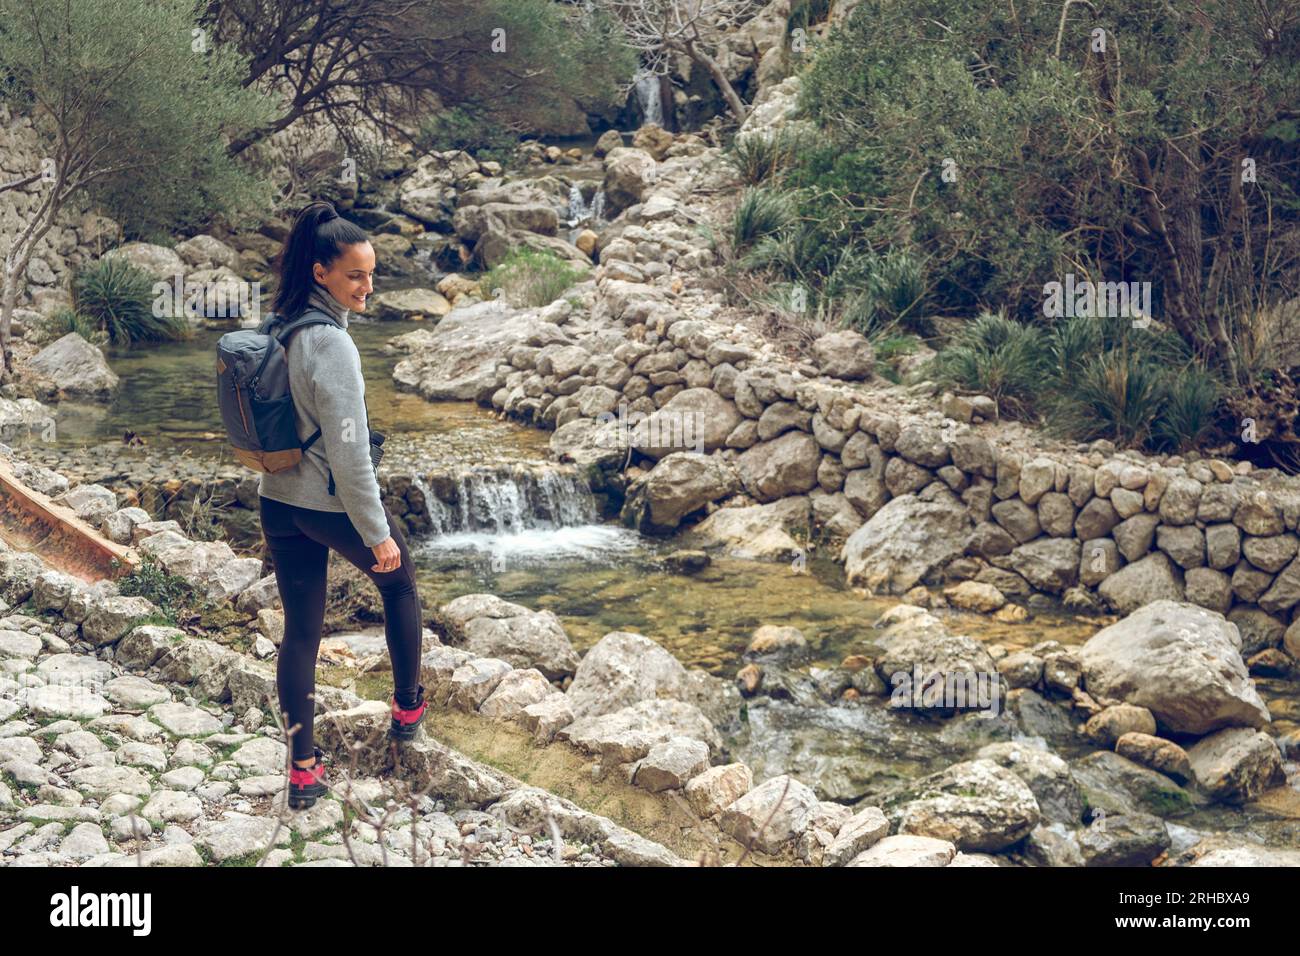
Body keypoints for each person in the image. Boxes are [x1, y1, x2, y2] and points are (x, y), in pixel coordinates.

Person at [257, 200, 426, 810]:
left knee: (301, 633)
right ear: (322, 273)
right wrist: (376, 532)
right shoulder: (332, 346)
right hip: (326, 503)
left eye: (372, 274)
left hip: (278, 500)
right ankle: (409, 708)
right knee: (400, 584)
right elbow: (351, 455)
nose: (367, 286)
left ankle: (303, 770)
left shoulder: (280, 324)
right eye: (355, 275)